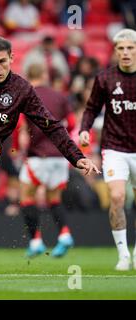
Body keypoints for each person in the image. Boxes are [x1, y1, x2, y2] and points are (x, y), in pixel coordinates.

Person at [0, 36, 100, 281]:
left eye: (2, 62)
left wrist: (77, 158)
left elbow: (51, 126)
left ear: (12, 59)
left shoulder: (22, 90)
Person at [79, 29, 136, 271]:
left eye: (130, 48)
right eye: (121, 48)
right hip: (114, 147)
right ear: (115, 51)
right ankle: (123, 254)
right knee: (116, 196)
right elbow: (91, 108)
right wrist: (84, 129)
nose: (125, 52)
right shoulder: (105, 79)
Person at [18, 63, 76, 258]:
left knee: (26, 196)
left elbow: (20, 127)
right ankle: (64, 235)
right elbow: (73, 123)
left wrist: (20, 146)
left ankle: (35, 241)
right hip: (59, 156)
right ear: (44, 74)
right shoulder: (59, 96)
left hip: (38, 156)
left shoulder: (27, 96)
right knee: (54, 199)